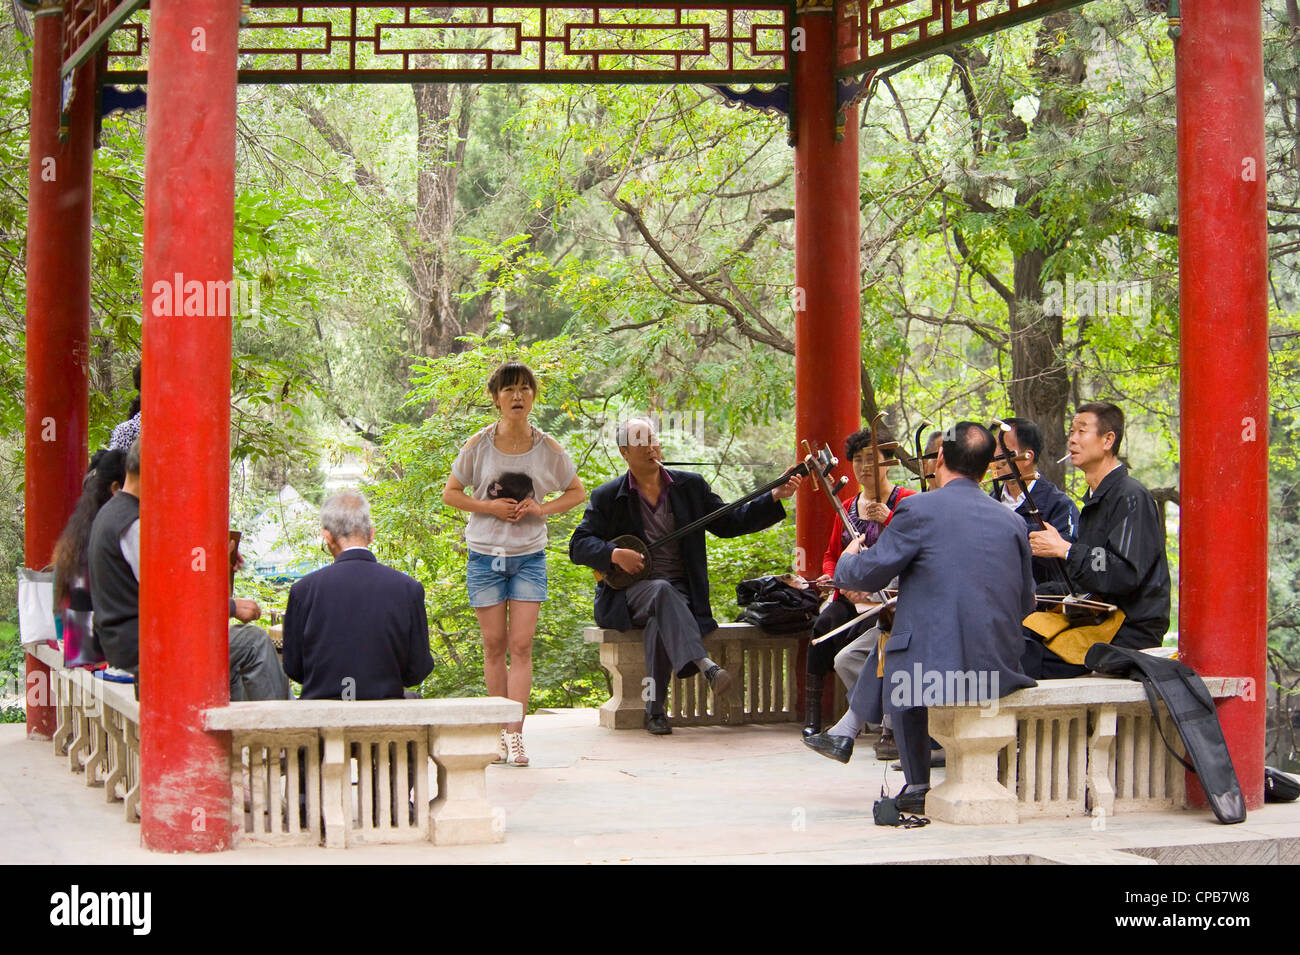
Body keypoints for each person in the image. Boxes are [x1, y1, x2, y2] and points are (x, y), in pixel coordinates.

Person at [803, 422, 1036, 813]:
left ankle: (915, 782)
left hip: (935, 672)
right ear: (984, 466)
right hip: (1001, 663)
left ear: (940, 458)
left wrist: (846, 560)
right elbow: (1026, 602)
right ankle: (847, 733)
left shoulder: (918, 506)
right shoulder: (1012, 521)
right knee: (901, 643)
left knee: (897, 653)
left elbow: (867, 573)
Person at [569, 417, 801, 735]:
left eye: (653, 439)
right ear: (624, 451)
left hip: (677, 594)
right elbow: (578, 545)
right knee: (661, 591)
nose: (651, 447)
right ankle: (705, 665)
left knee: (659, 614)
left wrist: (773, 496)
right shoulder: (608, 496)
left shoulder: (690, 487)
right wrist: (613, 554)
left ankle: (655, 712)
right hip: (627, 595)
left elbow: (729, 522)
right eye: (640, 442)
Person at [443, 362, 585, 767]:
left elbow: (576, 492)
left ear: (534, 396)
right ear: (496, 398)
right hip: (485, 555)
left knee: (521, 646)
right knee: (494, 645)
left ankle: (516, 735)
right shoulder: (477, 445)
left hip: (528, 558)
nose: (517, 396)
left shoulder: (549, 448)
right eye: (509, 390)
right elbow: (451, 494)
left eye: (525, 389)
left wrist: (542, 509)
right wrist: (486, 505)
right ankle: (497, 732)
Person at [88, 438, 288, 699]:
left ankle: (234, 736)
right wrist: (231, 607)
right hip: (145, 649)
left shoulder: (111, 513)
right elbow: (173, 597)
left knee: (231, 662)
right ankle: (278, 735)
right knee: (254, 642)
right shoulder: (134, 524)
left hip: (123, 642)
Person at [1024, 402, 1171, 678]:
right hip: (1095, 619)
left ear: (1108, 440)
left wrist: (1065, 550)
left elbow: (1123, 572)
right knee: (1017, 631)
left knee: (1027, 654)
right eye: (1071, 431)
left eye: (1082, 431)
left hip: (1127, 629)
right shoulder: (1096, 499)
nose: (1072, 439)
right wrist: (1035, 595)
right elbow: (1086, 580)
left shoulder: (1130, 496)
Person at [803, 429, 914, 738]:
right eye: (859, 460)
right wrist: (837, 580)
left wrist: (890, 518)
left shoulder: (906, 501)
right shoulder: (848, 505)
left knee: (862, 638)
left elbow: (914, 546)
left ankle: (880, 721)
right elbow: (831, 554)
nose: (865, 467)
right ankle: (814, 713)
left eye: (872, 460)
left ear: (887, 463)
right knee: (825, 626)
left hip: (886, 598)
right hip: (849, 593)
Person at [282, 490, 435, 700]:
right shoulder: (408, 589)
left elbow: (293, 668)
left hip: (320, 718)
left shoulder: (303, 590)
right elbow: (417, 670)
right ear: (371, 534)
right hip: (385, 716)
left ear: (327, 536)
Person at [51, 449, 127, 666]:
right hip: (91, 657)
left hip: (73, 648)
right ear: (115, 489)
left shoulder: (78, 531)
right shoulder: (106, 533)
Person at [988, 416, 1079, 586]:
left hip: (1041, 605)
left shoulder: (1059, 505)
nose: (995, 457)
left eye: (1002, 450)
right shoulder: (989, 502)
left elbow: (1069, 557)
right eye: (993, 449)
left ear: (1027, 456)